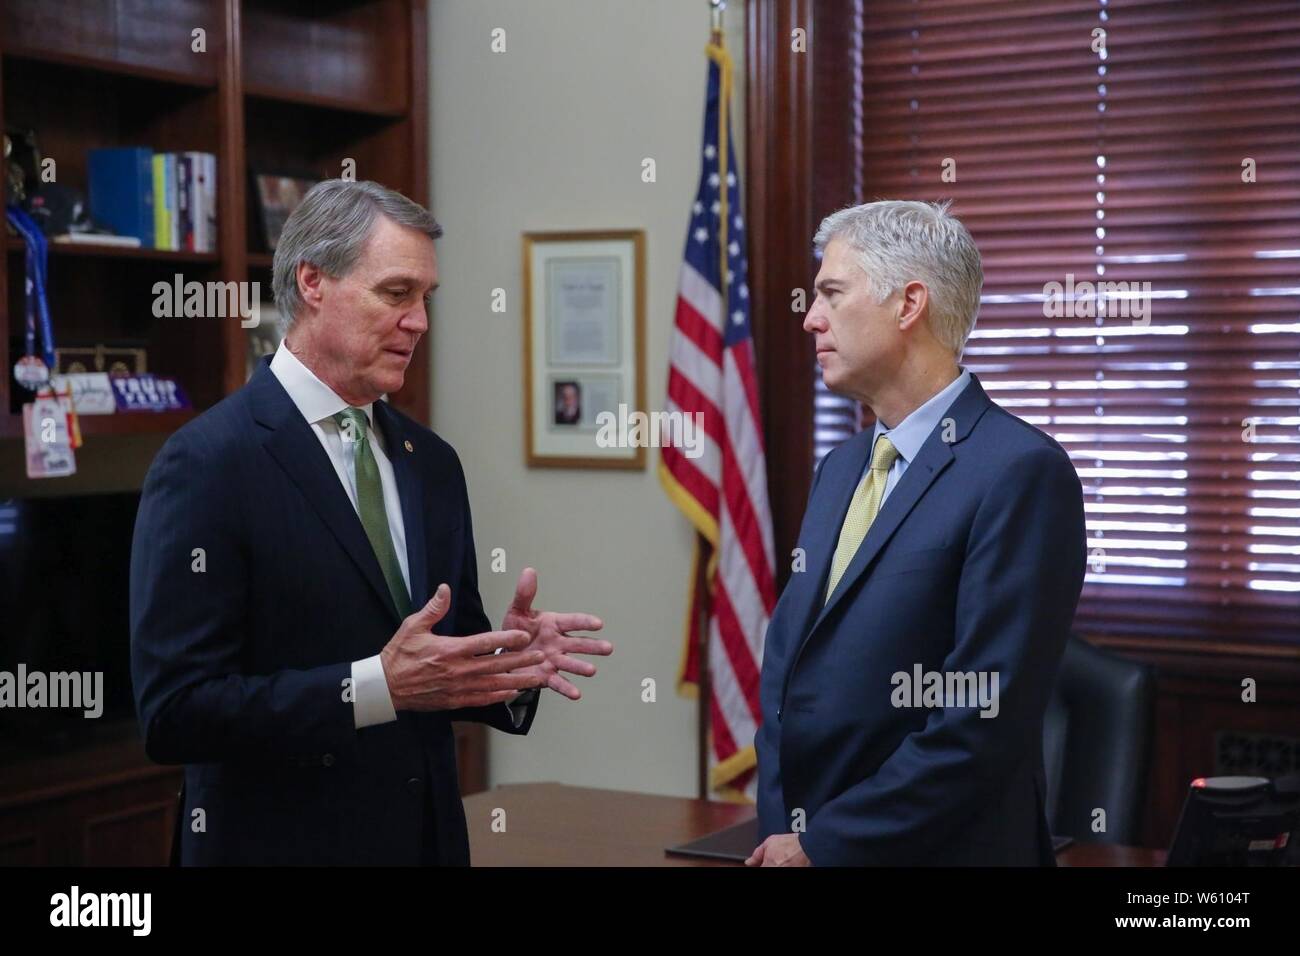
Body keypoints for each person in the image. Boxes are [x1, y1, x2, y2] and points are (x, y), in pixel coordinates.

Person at [131, 179, 612, 865]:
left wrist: (507, 660)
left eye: (425, 299)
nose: (418, 321)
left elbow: (435, 661)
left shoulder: (431, 462)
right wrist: (375, 687)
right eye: (396, 293)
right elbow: (175, 714)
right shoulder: (208, 462)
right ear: (312, 283)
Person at [748, 200, 1085, 866]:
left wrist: (828, 844)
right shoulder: (841, 467)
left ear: (908, 306)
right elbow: (788, 670)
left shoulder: (1020, 473)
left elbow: (979, 720)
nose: (811, 318)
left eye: (832, 294)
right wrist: (788, 830)